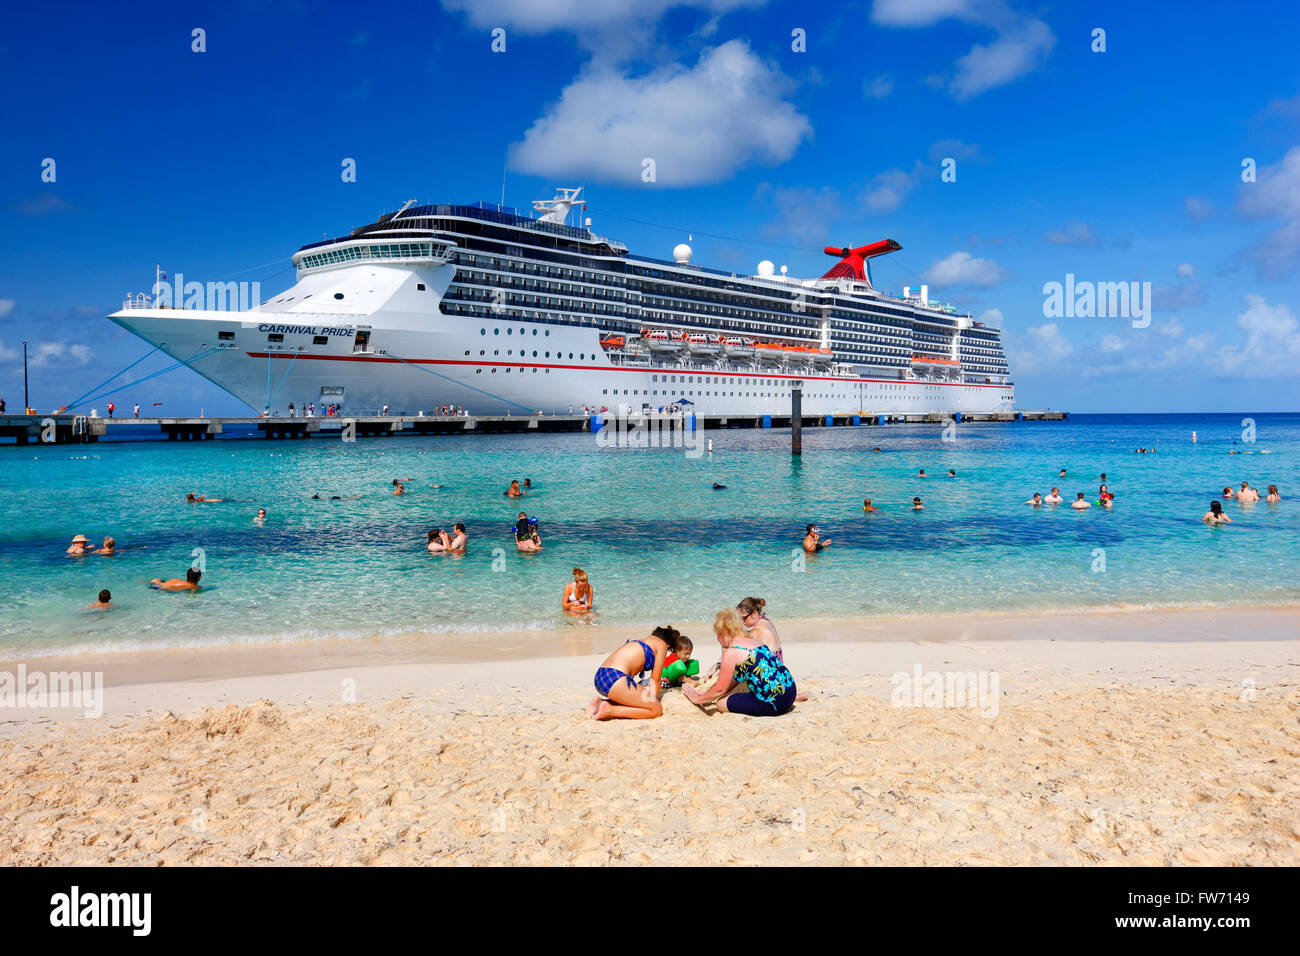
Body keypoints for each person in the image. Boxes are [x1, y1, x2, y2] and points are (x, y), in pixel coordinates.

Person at [683, 609, 797, 716]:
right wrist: (705, 695)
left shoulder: (732, 652)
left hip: (775, 703)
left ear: (725, 632)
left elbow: (720, 689)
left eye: (718, 634)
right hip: (790, 692)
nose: (718, 639)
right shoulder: (753, 640)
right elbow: (732, 682)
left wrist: (697, 699)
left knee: (721, 704)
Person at [585, 625, 686, 720]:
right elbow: (655, 680)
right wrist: (652, 701)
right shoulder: (662, 645)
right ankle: (609, 709)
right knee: (656, 710)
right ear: (668, 644)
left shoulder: (640, 642)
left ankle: (600, 702)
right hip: (615, 678)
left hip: (601, 677)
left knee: (636, 700)